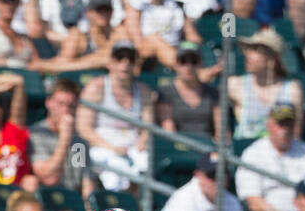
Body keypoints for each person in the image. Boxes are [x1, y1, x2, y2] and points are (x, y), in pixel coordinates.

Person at [77, 41, 154, 193]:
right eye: (120, 58)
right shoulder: (96, 87)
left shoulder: (144, 91)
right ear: (110, 62)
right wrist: (111, 147)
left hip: (132, 149)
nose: (125, 63)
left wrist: (141, 142)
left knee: (143, 163)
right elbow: (83, 127)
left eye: (130, 59)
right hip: (100, 147)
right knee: (88, 161)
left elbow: (148, 128)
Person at [235, 105, 305, 211]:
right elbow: (253, 202)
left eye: (289, 124)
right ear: (268, 125)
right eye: (280, 124)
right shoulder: (253, 153)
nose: (285, 129)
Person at [227, 31, 303, 141]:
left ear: (273, 58)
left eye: (256, 50)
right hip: (244, 155)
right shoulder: (235, 84)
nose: (248, 54)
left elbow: (296, 133)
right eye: (248, 49)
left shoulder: (292, 89)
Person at [28, 78, 92, 196]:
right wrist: (65, 137)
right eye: (60, 104)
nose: (65, 110)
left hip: (72, 199)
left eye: (71, 106)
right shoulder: (35, 134)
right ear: (49, 102)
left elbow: (84, 182)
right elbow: (48, 178)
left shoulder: (79, 142)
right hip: (47, 198)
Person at [124, 0, 199, 72]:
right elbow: (137, 42)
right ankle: (192, 71)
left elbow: (192, 35)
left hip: (176, 48)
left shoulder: (176, 4)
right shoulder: (135, 5)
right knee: (154, 39)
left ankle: (186, 65)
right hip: (146, 51)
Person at [158, 41, 220, 139]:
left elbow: (221, 130)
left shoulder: (213, 93)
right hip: (179, 148)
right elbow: (168, 130)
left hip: (207, 148)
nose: (188, 66)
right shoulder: (165, 93)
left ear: (200, 64)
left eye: (193, 61)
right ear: (176, 64)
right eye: (183, 61)